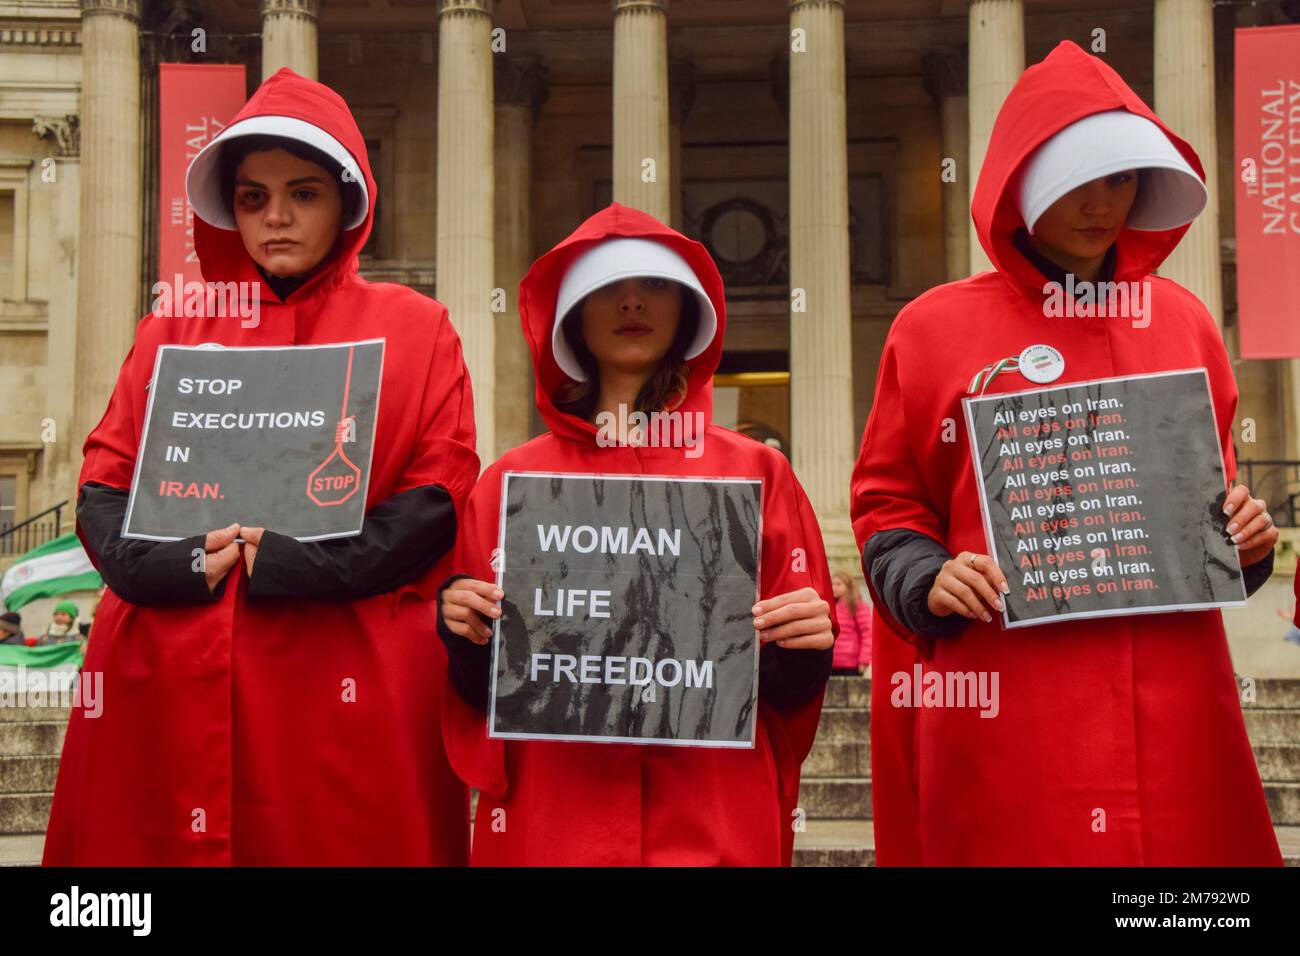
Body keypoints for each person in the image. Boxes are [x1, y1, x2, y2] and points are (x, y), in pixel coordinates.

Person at [850, 41, 1282, 865]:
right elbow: (887, 505)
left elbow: (1209, 507)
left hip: (1175, 698)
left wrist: (1247, 541)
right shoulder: (931, 327)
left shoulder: (1186, 321)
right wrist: (927, 574)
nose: (1103, 204)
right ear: (1020, 184)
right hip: (1007, 703)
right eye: (1080, 179)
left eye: (1121, 178)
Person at [43, 68, 479, 866]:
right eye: (253, 197)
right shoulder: (172, 322)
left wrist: (308, 561)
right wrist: (159, 565)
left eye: (304, 193)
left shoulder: (419, 327)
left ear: (347, 201)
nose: (275, 217)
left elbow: (440, 489)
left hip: (347, 668)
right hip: (168, 664)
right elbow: (105, 478)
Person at [438, 202, 835, 865]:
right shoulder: (509, 483)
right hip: (559, 819)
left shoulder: (758, 471)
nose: (630, 303)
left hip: (713, 814)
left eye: (653, 286)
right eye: (605, 289)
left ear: (686, 310)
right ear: (572, 315)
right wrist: (461, 632)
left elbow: (786, 691)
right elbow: (486, 691)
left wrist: (804, 647)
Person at [830, 571, 871, 676]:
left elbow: (868, 634)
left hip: (850, 665)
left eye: (838, 584)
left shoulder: (857, 606)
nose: (834, 587)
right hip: (830, 664)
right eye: (832, 584)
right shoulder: (828, 606)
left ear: (848, 586)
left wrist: (864, 661)